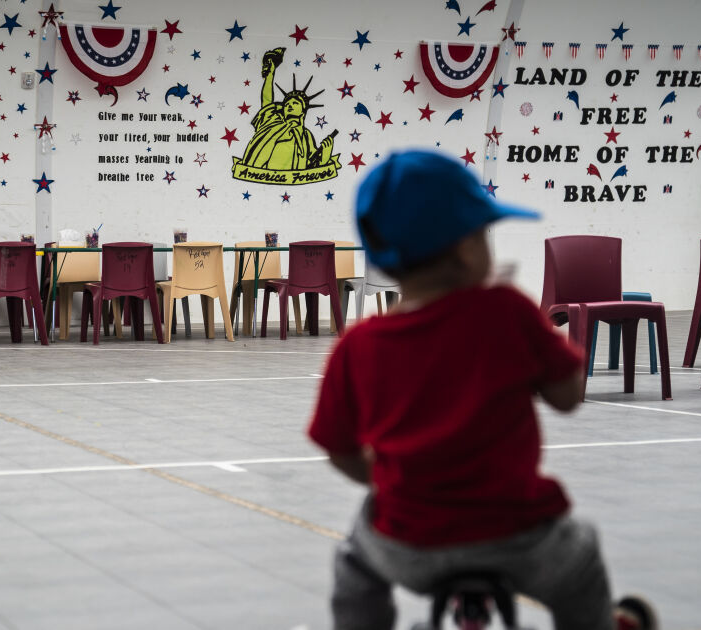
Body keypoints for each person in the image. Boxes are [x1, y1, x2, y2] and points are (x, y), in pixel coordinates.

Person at [307, 150, 656, 630]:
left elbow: (339, 450)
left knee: (353, 561)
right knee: (581, 558)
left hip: (409, 544)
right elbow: (567, 396)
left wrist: (390, 478)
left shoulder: (357, 346)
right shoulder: (506, 311)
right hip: (517, 537)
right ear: (468, 248)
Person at [240, 47, 335, 171]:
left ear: (303, 110)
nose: (289, 105)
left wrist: (326, 155)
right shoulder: (273, 122)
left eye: (295, 103)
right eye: (286, 104)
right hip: (262, 179)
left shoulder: (306, 136)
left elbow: (312, 164)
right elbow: (267, 102)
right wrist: (270, 75)